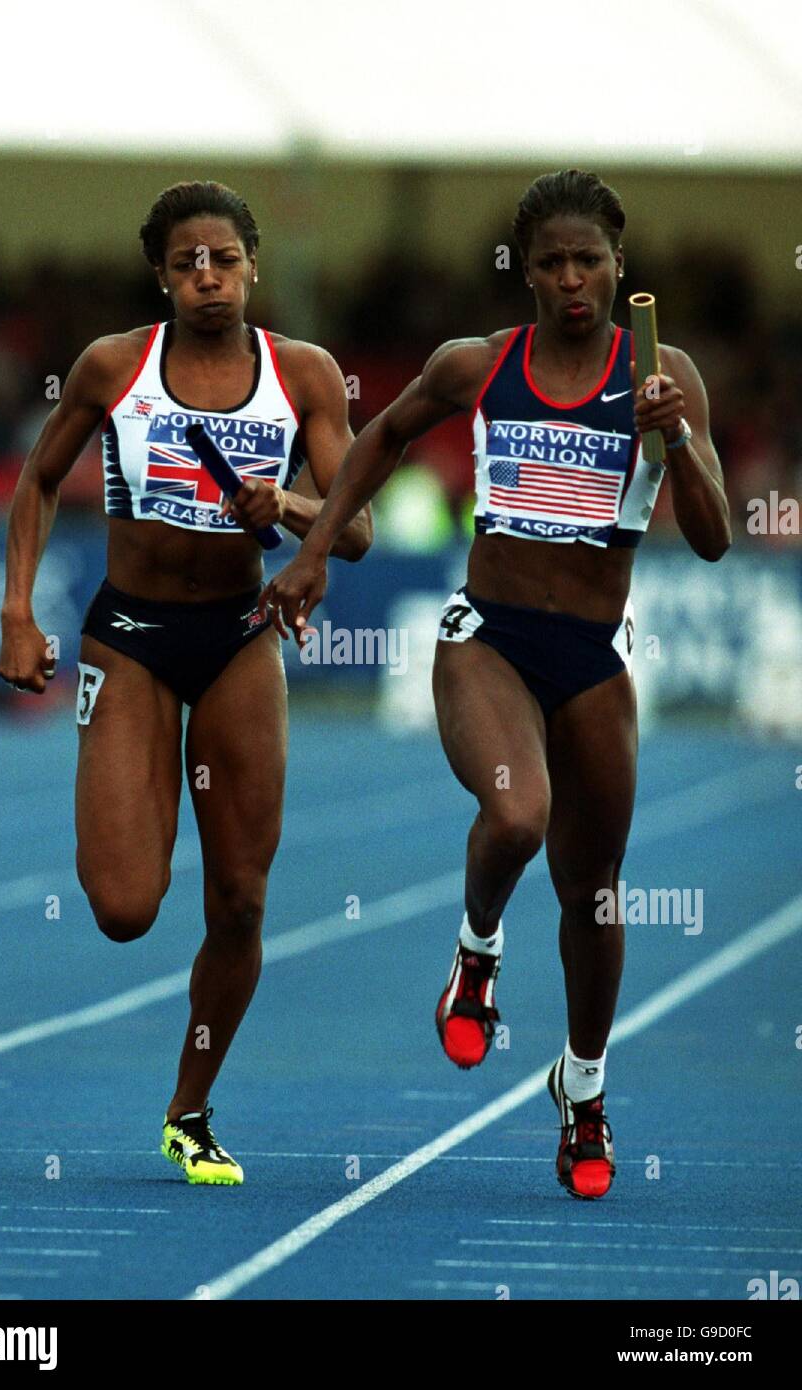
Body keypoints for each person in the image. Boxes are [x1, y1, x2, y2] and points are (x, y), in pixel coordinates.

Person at [259, 169, 731, 1200]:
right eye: (551, 261)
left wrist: (677, 440)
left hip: (591, 656)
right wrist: (315, 548)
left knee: (593, 888)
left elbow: (711, 539)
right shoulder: (479, 365)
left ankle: (582, 1086)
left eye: (589, 261)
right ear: (523, 270)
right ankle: (476, 953)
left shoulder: (664, 375)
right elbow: (380, 435)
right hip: (488, 639)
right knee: (516, 815)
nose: (571, 279)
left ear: (617, 268)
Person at [0, 180, 371, 1185]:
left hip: (241, 637)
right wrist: (16, 612)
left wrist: (287, 504)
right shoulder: (115, 366)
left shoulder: (303, 375)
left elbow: (358, 524)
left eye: (222, 259)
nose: (205, 277)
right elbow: (37, 480)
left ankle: (190, 1110)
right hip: (130, 636)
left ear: (252, 266)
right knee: (124, 905)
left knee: (242, 899)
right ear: (160, 276)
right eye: (184, 263)